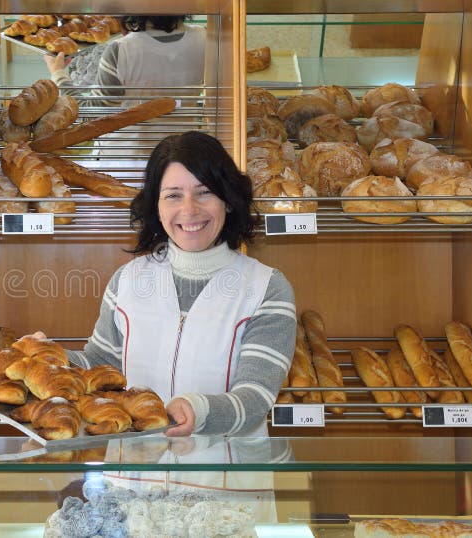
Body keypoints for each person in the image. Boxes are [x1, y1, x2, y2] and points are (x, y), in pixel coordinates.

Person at [34, 131, 296, 437]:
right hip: (134, 480)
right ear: (156, 208)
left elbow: (256, 397)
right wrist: (49, 358)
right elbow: (100, 365)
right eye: (173, 195)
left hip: (224, 476)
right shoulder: (128, 280)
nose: (189, 210)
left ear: (227, 200)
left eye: (204, 192)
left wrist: (197, 409)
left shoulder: (266, 288)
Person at [44, 15, 207, 156]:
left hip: (126, 161)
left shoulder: (121, 50)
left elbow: (92, 113)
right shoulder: (205, 37)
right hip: (180, 157)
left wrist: (58, 74)